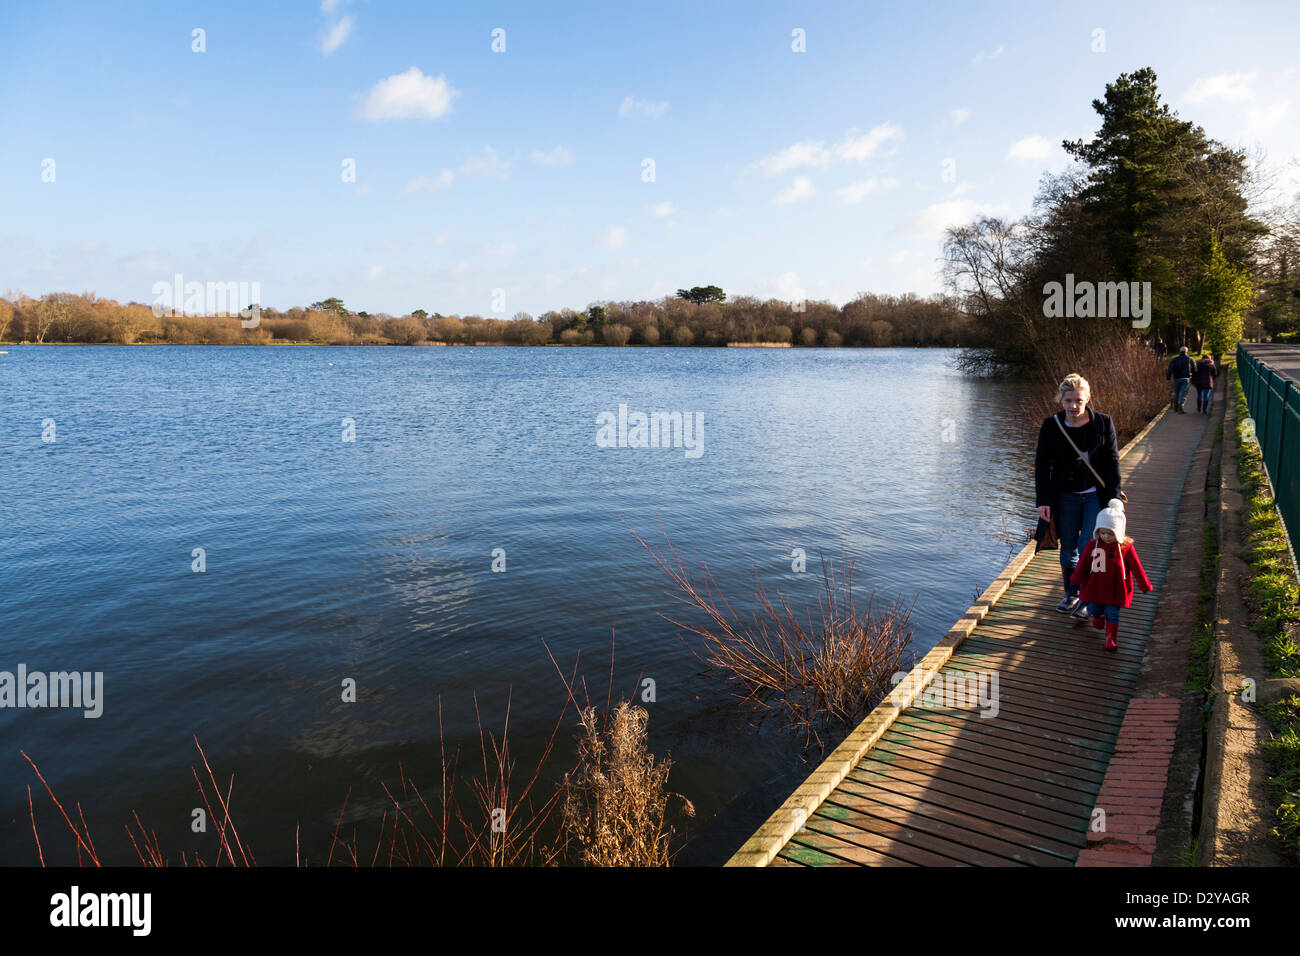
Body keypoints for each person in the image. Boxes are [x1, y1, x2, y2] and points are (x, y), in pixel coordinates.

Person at [1035, 373, 1124, 621]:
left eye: (1078, 400)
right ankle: (1070, 593)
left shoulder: (1103, 423)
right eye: (1068, 400)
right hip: (1064, 496)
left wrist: (1115, 500)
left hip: (1095, 495)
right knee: (1068, 550)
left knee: (1090, 546)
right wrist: (1042, 501)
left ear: (1088, 399)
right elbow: (1042, 465)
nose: (1073, 406)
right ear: (1061, 400)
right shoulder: (1051, 426)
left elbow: (1113, 462)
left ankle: (1087, 599)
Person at [1069, 499, 1154, 651]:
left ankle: (1111, 638)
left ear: (1119, 532)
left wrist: (1144, 583)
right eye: (1103, 533)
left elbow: (1136, 567)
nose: (1107, 537)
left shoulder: (1125, 548)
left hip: (1116, 588)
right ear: (1097, 531)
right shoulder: (1092, 546)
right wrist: (1076, 578)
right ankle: (1097, 616)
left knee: (1113, 613)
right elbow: (1083, 564)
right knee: (1095, 608)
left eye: (1111, 533)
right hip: (1095, 586)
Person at [1165, 346, 1194, 413]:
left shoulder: (1175, 359)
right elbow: (1194, 369)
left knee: (1176, 393)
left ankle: (1175, 407)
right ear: (1187, 351)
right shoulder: (1190, 359)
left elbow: (1170, 369)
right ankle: (1181, 404)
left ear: (1180, 351)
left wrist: (1168, 378)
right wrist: (1194, 378)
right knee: (1184, 393)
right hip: (1186, 378)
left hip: (1177, 378)